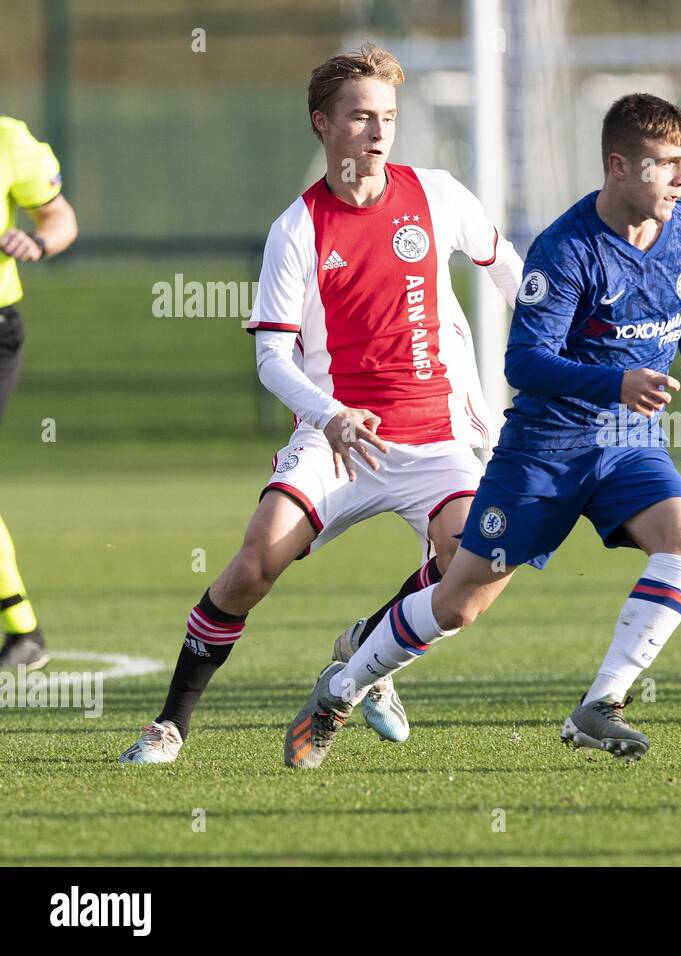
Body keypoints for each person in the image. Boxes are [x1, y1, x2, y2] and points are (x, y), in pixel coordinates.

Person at [285, 92, 681, 769]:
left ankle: (601, 704)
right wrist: (614, 382)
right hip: (545, 450)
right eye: (666, 164)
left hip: (625, 444)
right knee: (459, 602)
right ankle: (341, 688)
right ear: (618, 167)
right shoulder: (565, 252)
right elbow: (524, 362)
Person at [119, 43, 521, 764]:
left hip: (435, 436)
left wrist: (547, 343)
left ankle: (369, 652)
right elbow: (271, 358)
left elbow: (510, 273)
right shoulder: (297, 229)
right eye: (361, 117)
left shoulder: (437, 194)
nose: (377, 132)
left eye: (388, 117)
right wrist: (331, 414)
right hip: (338, 437)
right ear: (322, 124)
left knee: (477, 565)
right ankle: (169, 726)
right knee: (250, 568)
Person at [0, 115, 79, 672]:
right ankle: (23, 630)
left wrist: (40, 240)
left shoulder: (8, 138)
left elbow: (58, 215)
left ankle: (24, 631)